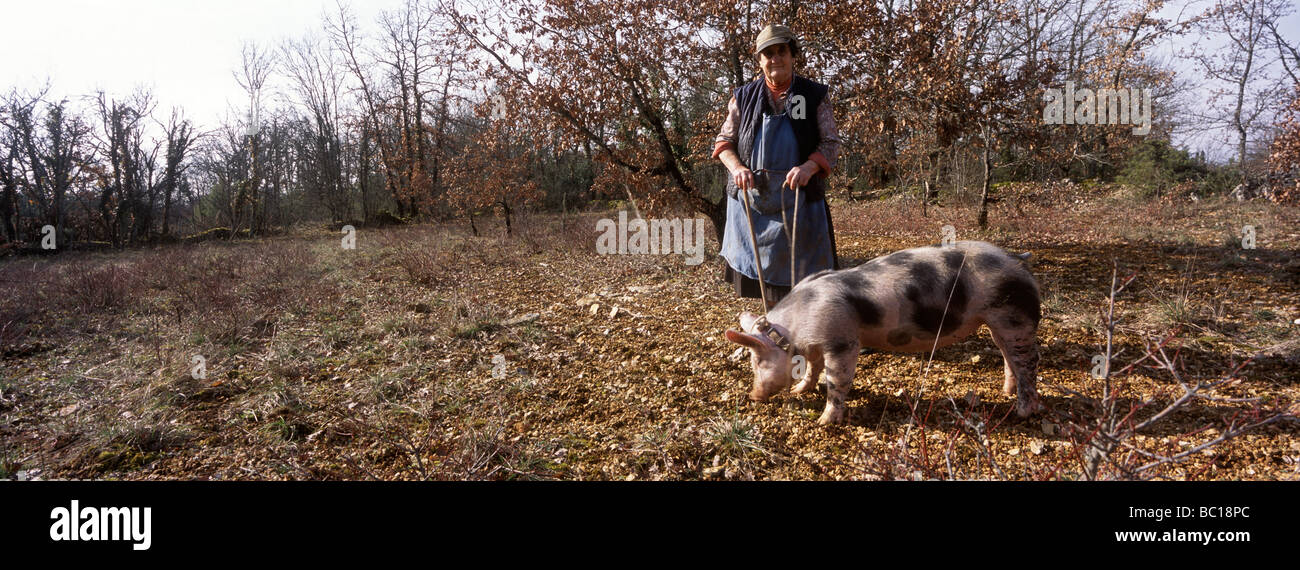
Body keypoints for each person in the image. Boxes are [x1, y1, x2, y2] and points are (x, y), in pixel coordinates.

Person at [714, 24, 841, 310]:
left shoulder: (809, 95)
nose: (775, 59)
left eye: (781, 51)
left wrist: (809, 167)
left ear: (792, 54)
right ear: (759, 60)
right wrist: (737, 168)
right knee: (766, 283)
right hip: (753, 205)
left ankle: (807, 339)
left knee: (806, 281)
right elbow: (724, 142)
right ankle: (775, 337)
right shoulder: (744, 98)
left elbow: (831, 143)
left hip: (800, 202)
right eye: (767, 53)